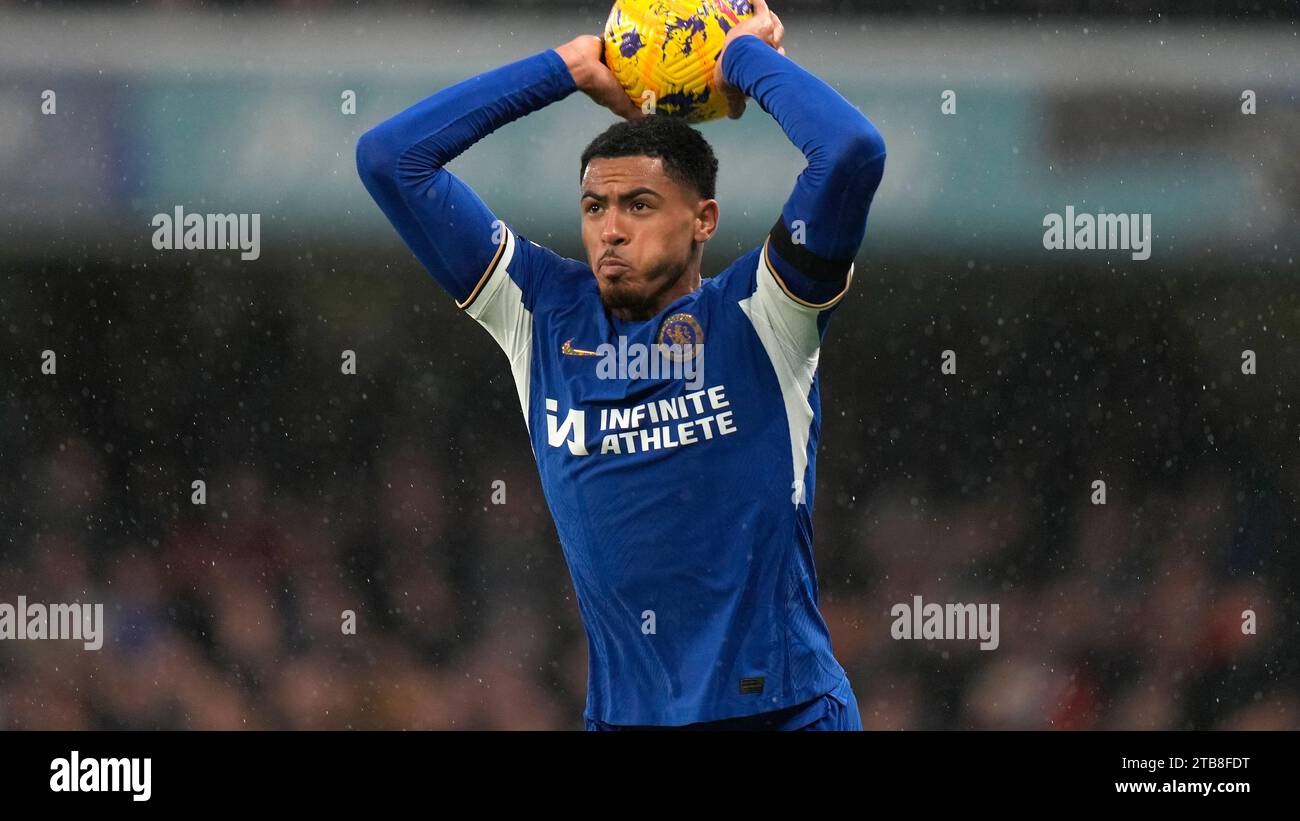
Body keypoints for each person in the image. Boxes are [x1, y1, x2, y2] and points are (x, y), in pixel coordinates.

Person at [356, 0, 885, 730]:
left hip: (787, 711)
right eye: (594, 206)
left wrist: (742, 57)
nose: (610, 229)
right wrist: (564, 69)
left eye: (639, 204)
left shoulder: (766, 311)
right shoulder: (540, 312)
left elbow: (852, 150)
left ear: (703, 220)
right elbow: (390, 158)